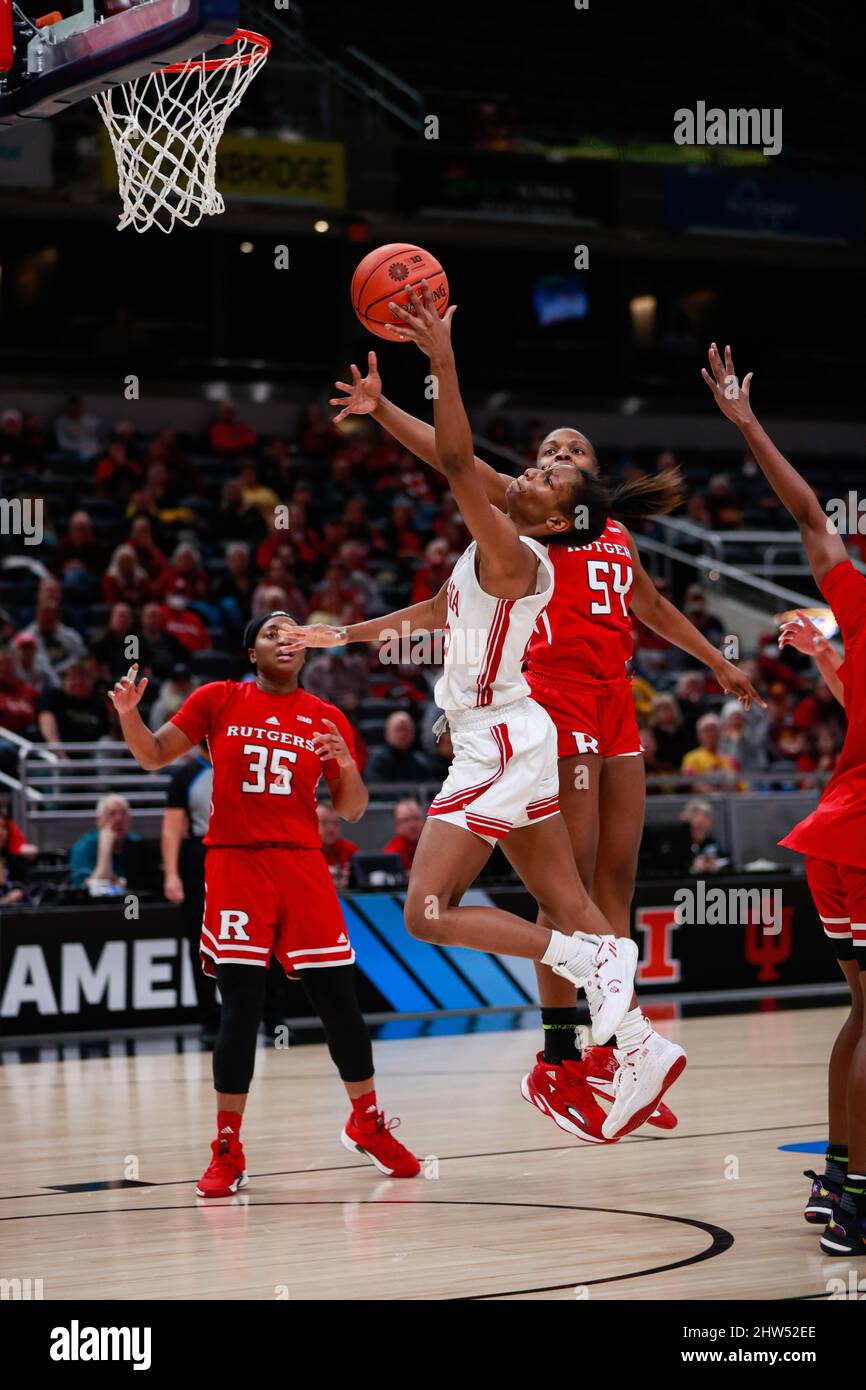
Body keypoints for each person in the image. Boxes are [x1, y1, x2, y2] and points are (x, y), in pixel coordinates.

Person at [330, 326, 759, 1137]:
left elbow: (651, 606)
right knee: (563, 891)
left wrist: (716, 660)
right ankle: (585, 1045)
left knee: (592, 885)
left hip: (571, 715)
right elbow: (453, 466)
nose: (545, 454)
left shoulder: (577, 536)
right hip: (543, 713)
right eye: (542, 450)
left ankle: (604, 1042)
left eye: (564, 451)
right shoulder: (528, 528)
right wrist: (390, 404)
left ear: (580, 490)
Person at [285, 281, 671, 1141]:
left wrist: (441, 362)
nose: (529, 468)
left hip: (499, 741)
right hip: (515, 737)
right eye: (532, 460)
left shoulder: (516, 547)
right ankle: (626, 1043)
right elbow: (433, 613)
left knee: (431, 913)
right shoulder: (501, 546)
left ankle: (598, 974)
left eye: (544, 468)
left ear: (560, 511)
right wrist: (343, 633)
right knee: (561, 895)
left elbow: (458, 460)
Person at [109, 614, 421, 1197]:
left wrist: (347, 765)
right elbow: (153, 756)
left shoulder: (327, 716)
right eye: (272, 633)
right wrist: (129, 716)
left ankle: (367, 1121)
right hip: (234, 864)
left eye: (292, 633)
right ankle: (227, 1147)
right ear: (251, 652)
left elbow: (351, 810)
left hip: (302, 865)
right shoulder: (219, 699)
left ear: (306, 651)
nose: (285, 639)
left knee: (338, 1001)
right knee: (241, 1010)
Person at [704, 340, 866, 1257]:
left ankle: (841, 1178)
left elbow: (807, 512)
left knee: (860, 1013)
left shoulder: (861, 603)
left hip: (832, 839)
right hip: (862, 832)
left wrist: (747, 423)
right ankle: (860, 1205)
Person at [162, 746, 220, 1033]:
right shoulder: (186, 775)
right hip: (200, 856)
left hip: (244, 854)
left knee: (259, 939)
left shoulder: (244, 760)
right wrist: (172, 874)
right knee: (200, 942)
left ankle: (273, 1020)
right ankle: (210, 1020)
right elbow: (171, 828)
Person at [69, 793, 145, 895]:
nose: (119, 819)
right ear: (99, 820)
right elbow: (90, 892)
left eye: (123, 813)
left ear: (130, 819)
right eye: (112, 813)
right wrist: (105, 848)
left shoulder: (138, 845)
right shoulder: (84, 847)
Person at [365, 711, 437, 784]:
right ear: (387, 733)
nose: (402, 734)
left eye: (406, 730)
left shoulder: (420, 762)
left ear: (413, 734)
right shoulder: (377, 762)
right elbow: (377, 791)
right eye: (398, 730)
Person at [317, 803, 358, 891]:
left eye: (335, 823)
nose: (330, 828)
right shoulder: (303, 852)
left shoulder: (349, 850)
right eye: (323, 822)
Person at [383, 798, 424, 873]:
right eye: (406, 820)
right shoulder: (392, 853)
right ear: (396, 825)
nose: (412, 825)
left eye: (416, 818)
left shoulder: (434, 846)